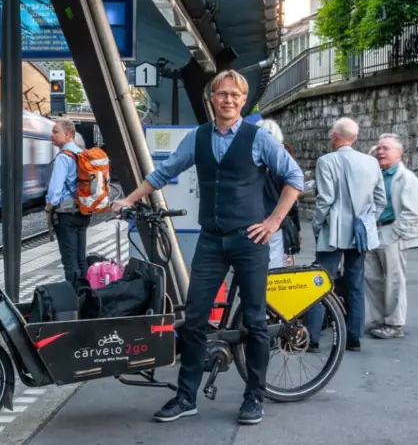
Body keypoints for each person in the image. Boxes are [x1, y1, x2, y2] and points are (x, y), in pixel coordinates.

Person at [113, 70, 304, 426]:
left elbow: (295, 178)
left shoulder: (258, 138)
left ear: (243, 100)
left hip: (250, 240)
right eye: (222, 94)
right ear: (211, 98)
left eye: (235, 94)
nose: (228, 100)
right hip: (212, 239)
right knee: (196, 318)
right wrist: (129, 199)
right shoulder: (198, 137)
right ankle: (186, 397)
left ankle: (254, 397)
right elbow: (163, 171)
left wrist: (274, 221)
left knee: (255, 320)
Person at [307, 118, 387, 353]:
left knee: (321, 281)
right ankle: (353, 337)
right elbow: (381, 199)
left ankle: (312, 337)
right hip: (361, 231)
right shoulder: (371, 162)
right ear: (355, 138)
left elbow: (325, 199)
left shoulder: (325, 161)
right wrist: (369, 220)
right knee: (355, 281)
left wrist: (317, 224)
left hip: (334, 230)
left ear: (335, 136)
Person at [365, 134, 418, 340]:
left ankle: (394, 323)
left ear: (399, 153)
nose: (381, 152)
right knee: (372, 278)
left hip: (390, 231)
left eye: (386, 148)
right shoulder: (376, 174)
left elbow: (413, 213)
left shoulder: (407, 179)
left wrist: (394, 233)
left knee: (394, 281)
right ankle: (377, 319)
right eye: (379, 148)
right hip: (373, 231)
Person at [46, 119, 91, 282]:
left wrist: (49, 207)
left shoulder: (63, 157)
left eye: (55, 131)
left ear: (67, 134)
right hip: (83, 212)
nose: (52, 135)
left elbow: (55, 190)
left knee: (70, 261)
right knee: (81, 258)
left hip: (66, 214)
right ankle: (86, 297)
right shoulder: (81, 154)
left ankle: (75, 299)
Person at [256, 118, 299, 267]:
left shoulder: (249, 161)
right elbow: (292, 200)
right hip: (275, 223)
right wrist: (297, 227)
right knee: (275, 270)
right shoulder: (283, 164)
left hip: (250, 223)